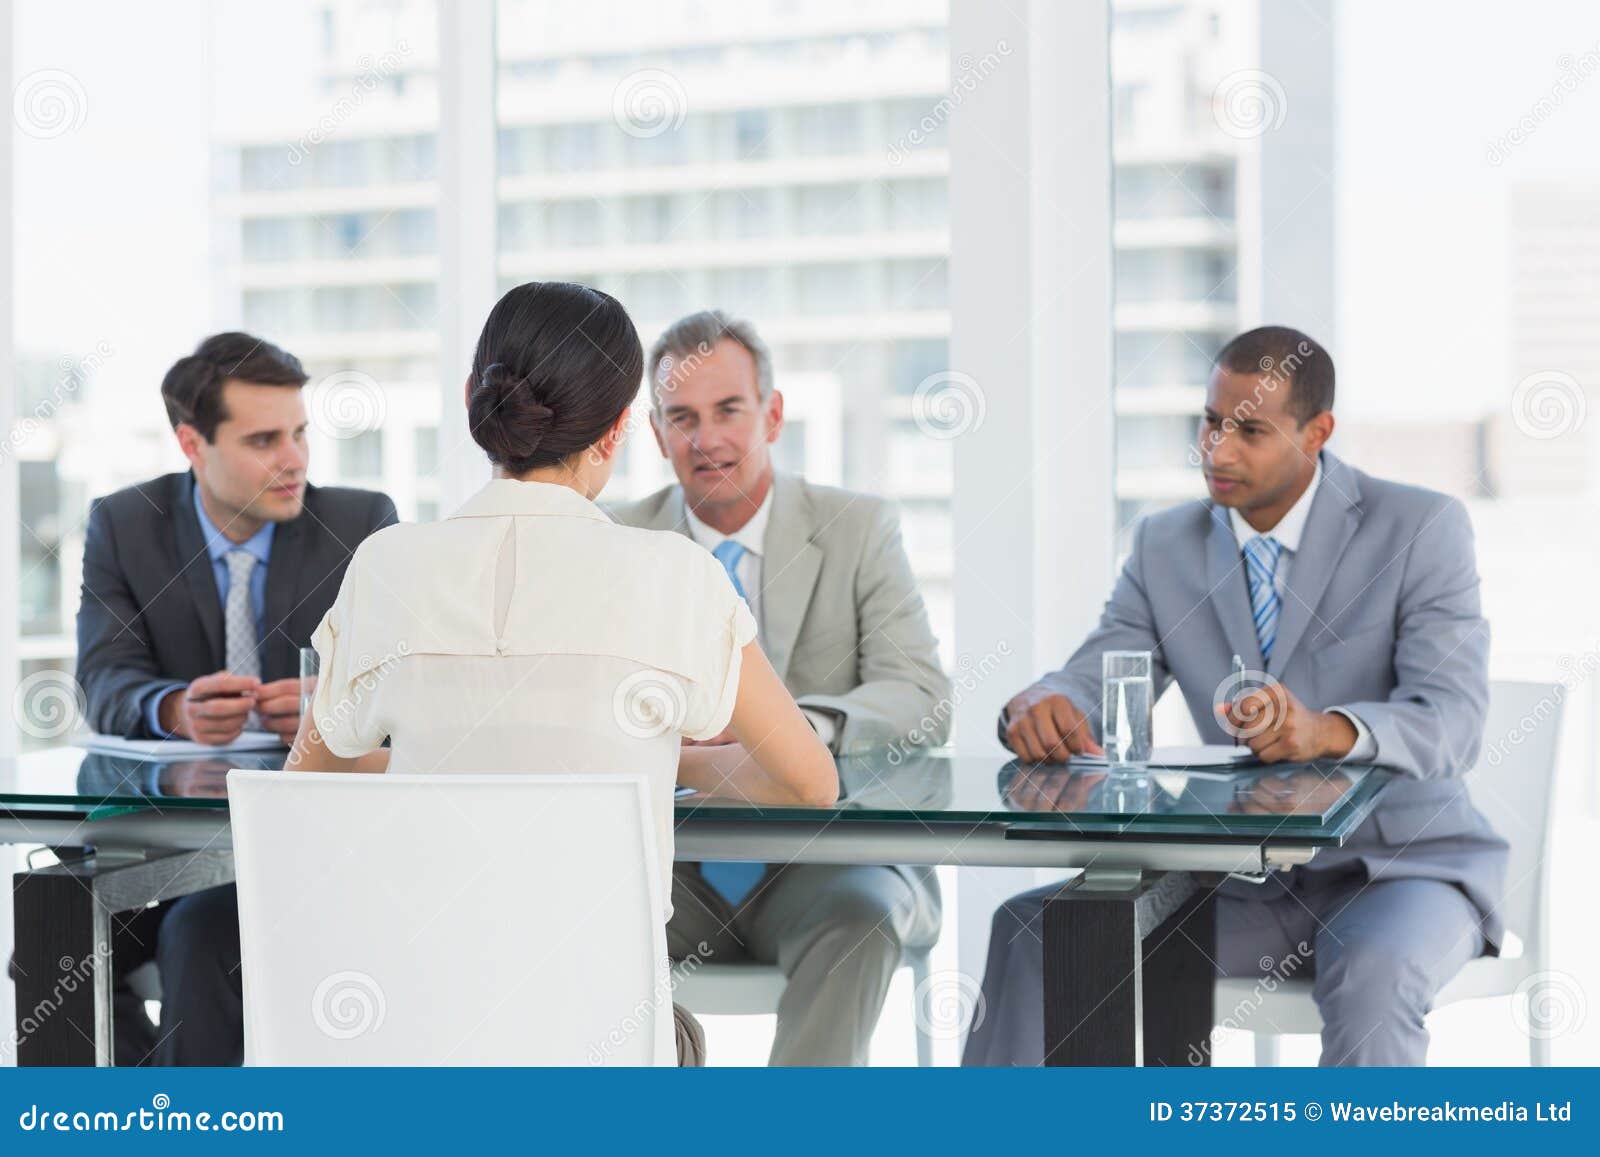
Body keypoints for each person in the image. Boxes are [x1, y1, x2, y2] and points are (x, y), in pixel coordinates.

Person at [286, 282, 839, 1067]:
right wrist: (663, 757)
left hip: (417, 1034)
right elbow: (809, 782)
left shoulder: (386, 565)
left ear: (473, 398)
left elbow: (307, 783)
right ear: (618, 430)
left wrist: (433, 760)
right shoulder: (676, 575)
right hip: (606, 1048)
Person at [963, 325, 1506, 1068]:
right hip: (1240, 881)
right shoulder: (1165, 544)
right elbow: (1100, 665)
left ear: (1317, 433)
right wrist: (1045, 701)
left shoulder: (1419, 528)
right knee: (1037, 935)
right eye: (1211, 422)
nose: (1217, 451)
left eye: (1250, 431)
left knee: (1372, 979)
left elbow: (1454, 720)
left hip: (1401, 872)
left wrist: (1326, 730)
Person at [609, 309, 949, 1066]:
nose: (706, 438)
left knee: (863, 915)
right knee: (576, 912)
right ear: (657, 434)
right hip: (673, 875)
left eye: (729, 410)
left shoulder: (858, 526)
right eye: (681, 417)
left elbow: (922, 693)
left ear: (772, 414)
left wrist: (795, 729)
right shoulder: (618, 540)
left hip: (828, 868)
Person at [72, 331, 398, 1065]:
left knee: (200, 936)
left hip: (317, 851)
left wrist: (331, 702)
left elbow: (403, 679)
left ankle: (191, 1113)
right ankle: (131, 1111)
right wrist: (173, 708)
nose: (295, 459)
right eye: (264, 440)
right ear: (193, 443)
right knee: (60, 935)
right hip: (168, 848)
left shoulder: (362, 523)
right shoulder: (124, 524)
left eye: (300, 433)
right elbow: (103, 675)